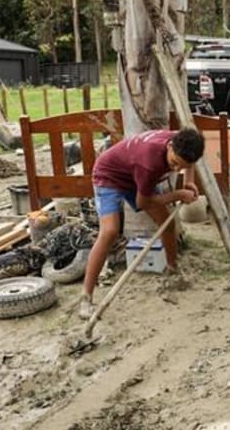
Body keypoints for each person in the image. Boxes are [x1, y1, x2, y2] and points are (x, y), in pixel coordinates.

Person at [79, 128, 205, 319]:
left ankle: (172, 270)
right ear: (170, 147)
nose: (176, 169)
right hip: (109, 176)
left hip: (136, 176)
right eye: (174, 163)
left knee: (167, 222)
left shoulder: (185, 141)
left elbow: (190, 163)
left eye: (182, 166)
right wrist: (178, 194)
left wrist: (188, 181)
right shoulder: (149, 163)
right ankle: (86, 298)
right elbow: (143, 202)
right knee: (110, 231)